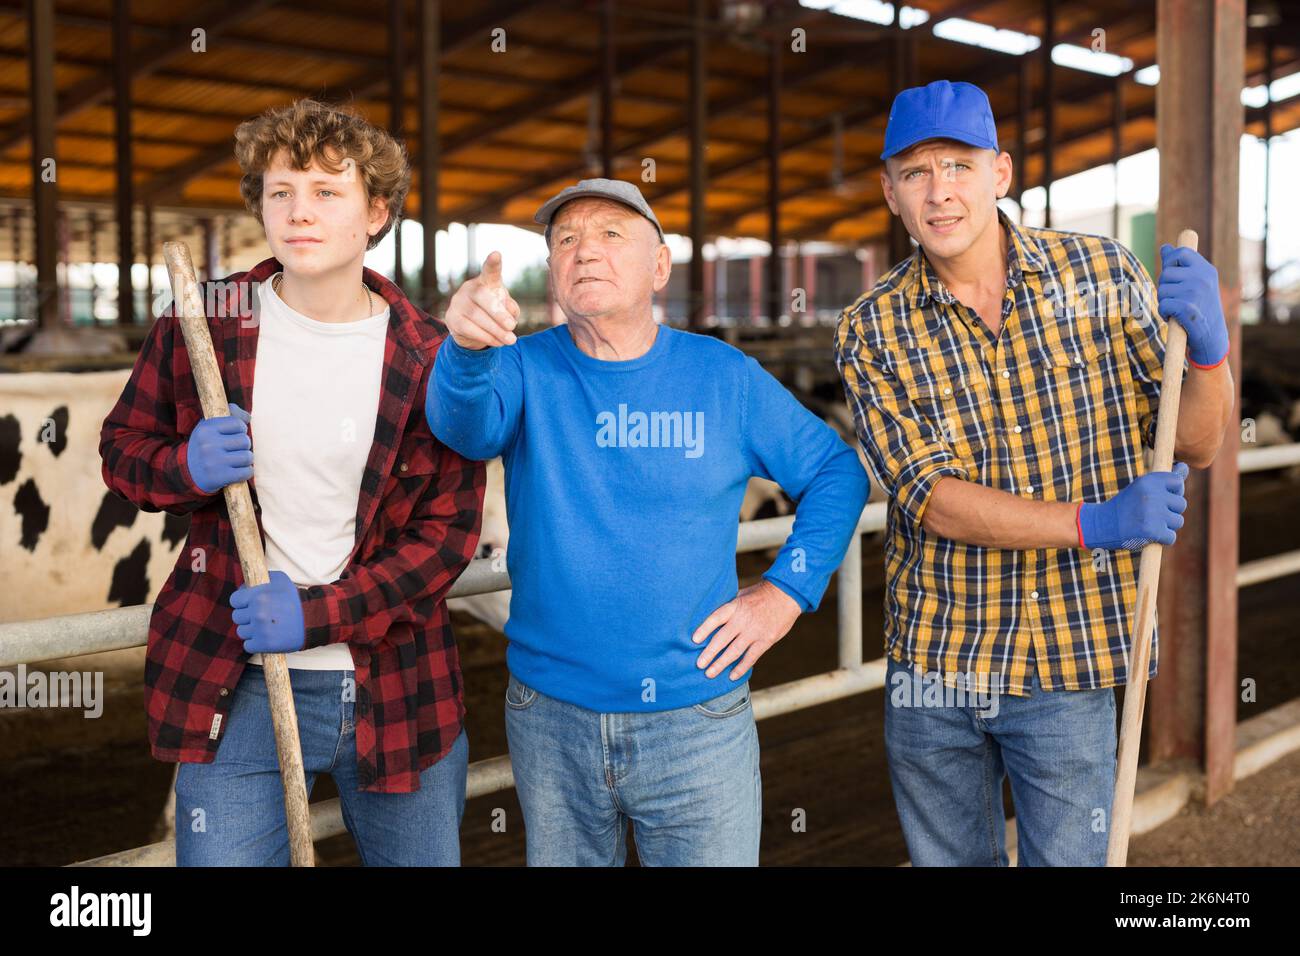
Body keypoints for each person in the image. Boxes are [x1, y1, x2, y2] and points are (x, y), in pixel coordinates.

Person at [834, 80, 1235, 866]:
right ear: (889, 193)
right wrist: (1096, 522)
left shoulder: (1101, 272)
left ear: (1001, 173)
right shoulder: (870, 328)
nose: (939, 191)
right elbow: (933, 500)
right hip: (935, 666)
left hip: (1068, 656)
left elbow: (1196, 446)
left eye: (958, 165)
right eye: (915, 173)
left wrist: (1214, 359)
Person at [427, 178, 870, 866]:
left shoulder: (724, 375)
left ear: (659, 266)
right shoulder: (521, 368)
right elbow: (461, 428)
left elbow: (836, 473)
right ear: (552, 272)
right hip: (550, 718)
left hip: (696, 720)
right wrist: (462, 349)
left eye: (611, 234)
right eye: (566, 240)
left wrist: (786, 593)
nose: (585, 252)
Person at [99, 98, 486, 866]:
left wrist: (318, 614)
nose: (298, 213)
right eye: (281, 192)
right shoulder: (203, 321)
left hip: (401, 688)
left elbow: (446, 539)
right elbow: (121, 451)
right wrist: (186, 467)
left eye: (326, 193)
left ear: (376, 212)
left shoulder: (430, 354)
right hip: (234, 679)